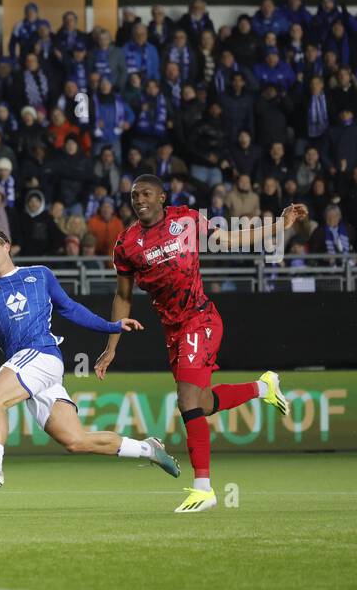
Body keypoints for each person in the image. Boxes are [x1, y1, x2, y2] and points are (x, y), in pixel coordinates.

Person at [96, 174, 302, 513]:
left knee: (186, 399)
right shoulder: (126, 244)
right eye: (134, 196)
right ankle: (263, 388)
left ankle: (204, 488)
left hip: (200, 318)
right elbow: (122, 296)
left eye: (146, 193)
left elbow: (231, 239)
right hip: (173, 330)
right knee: (201, 403)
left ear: (163, 197)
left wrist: (278, 226)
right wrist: (112, 345)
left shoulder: (186, 220)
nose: (139, 199)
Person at [0, 224, 177, 489]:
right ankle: (148, 449)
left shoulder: (39, 275)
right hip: (32, 367)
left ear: (6, 246)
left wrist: (112, 326)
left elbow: (71, 309)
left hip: (42, 354)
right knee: (75, 440)